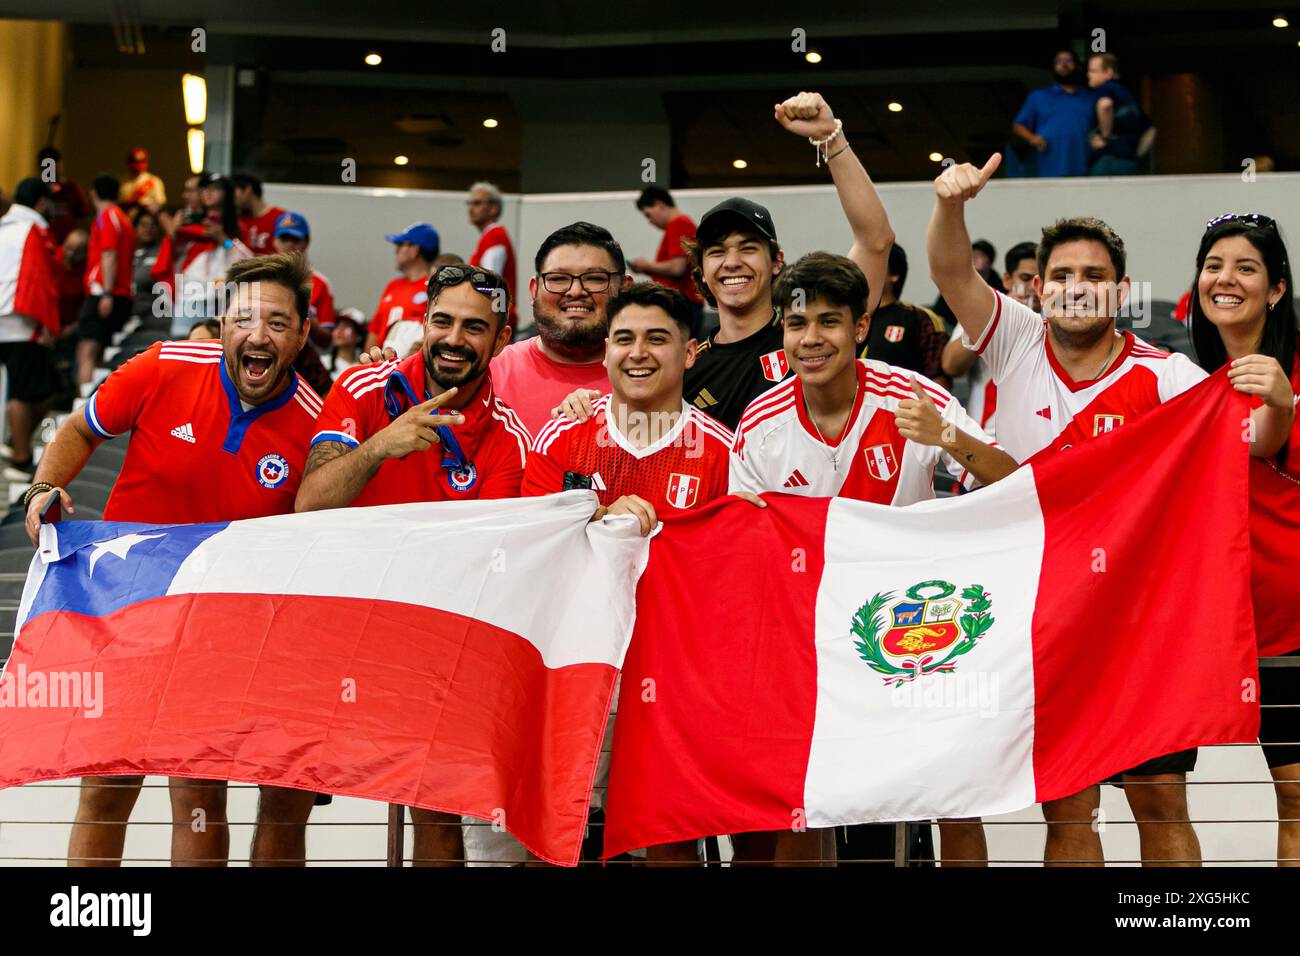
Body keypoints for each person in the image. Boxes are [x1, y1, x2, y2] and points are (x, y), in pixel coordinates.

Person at [927, 153, 1285, 865]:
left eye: (1093, 276)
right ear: (1036, 286)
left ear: (1121, 289)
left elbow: (1249, 450)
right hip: (1045, 622)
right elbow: (951, 273)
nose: (1075, 288)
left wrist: (1278, 402)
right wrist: (951, 206)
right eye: (1060, 275)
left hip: (1139, 629)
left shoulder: (1170, 376)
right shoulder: (1015, 341)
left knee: (1159, 804)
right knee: (1070, 807)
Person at [25, 253, 323, 866]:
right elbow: (80, 430)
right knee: (105, 793)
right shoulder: (164, 366)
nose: (257, 336)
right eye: (244, 319)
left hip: (221, 633)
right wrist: (41, 488)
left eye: (276, 322)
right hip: (126, 614)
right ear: (221, 327)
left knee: (198, 799)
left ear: (302, 333)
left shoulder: (317, 425)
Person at [727, 252, 1013, 867]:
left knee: (956, 798)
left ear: (860, 327)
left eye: (829, 322)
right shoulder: (759, 424)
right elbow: (737, 547)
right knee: (804, 807)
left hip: (914, 634)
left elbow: (1014, 482)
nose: (811, 339)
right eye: (797, 323)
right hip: (808, 646)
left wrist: (949, 438)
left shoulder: (914, 395)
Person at [297, 264, 527, 866]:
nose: (454, 338)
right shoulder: (363, 387)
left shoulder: (507, 440)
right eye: (442, 320)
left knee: (437, 805)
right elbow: (310, 503)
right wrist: (380, 445)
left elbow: (486, 562)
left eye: (475, 327)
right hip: (334, 629)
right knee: (283, 800)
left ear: (501, 340)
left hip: (435, 639)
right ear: (422, 323)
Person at [525, 281, 753, 865]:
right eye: (623, 338)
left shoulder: (727, 455)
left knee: (666, 838)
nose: (638, 353)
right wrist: (598, 515)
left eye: (658, 338)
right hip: (575, 675)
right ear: (604, 352)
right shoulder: (562, 436)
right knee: (559, 839)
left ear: (691, 352)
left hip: (675, 685)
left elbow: (740, 583)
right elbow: (528, 548)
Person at [1185, 213, 1299, 865]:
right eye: (1214, 265)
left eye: (1246, 267)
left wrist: (1285, 403)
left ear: (1276, 288)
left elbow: (1265, 438)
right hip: (1224, 628)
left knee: (1298, 799)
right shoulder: (1186, 381)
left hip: (1292, 624)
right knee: (1161, 794)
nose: (1225, 279)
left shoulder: (1294, 367)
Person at [681, 92, 894, 431]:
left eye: (748, 248)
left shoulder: (812, 331)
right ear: (701, 273)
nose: (732, 262)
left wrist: (831, 139)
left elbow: (875, 240)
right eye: (717, 252)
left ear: (777, 261)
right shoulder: (687, 367)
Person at [489, 222, 631, 434]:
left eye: (594, 278)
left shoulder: (656, 379)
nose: (575, 291)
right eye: (558, 279)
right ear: (534, 290)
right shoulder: (488, 373)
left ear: (625, 289)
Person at [941, 240, 1040, 435]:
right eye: (1025, 278)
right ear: (1007, 280)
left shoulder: (1060, 321)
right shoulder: (985, 311)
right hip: (988, 437)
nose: (1033, 286)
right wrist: (992, 318)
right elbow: (951, 366)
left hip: (1041, 438)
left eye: (1040, 279)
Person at [0, 178, 62, 476]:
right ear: (41, 202)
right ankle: (20, 457)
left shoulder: (6, 227)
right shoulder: (33, 229)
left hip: (9, 316)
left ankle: (16, 441)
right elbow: (42, 281)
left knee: (27, 388)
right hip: (21, 318)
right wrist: (48, 323)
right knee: (26, 391)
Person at [169, 173, 251, 338]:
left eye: (215, 189)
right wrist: (173, 231)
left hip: (219, 300)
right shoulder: (191, 221)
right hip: (189, 297)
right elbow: (176, 255)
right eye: (205, 188)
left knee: (212, 347)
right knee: (181, 345)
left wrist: (223, 239)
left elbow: (246, 259)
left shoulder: (236, 226)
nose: (208, 192)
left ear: (227, 194)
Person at [857, 244, 948, 383]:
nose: (862, 268)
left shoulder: (920, 318)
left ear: (894, 275)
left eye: (871, 262)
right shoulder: (847, 318)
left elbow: (939, 380)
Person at [77, 175, 136, 386]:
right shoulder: (122, 217)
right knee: (102, 352)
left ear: (93, 193)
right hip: (117, 293)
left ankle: (80, 406)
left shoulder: (106, 216)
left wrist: (106, 293)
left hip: (103, 292)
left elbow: (109, 253)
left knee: (87, 349)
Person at [630, 187, 705, 337]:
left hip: (683, 303)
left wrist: (647, 266)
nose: (650, 221)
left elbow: (678, 268)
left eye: (648, 215)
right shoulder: (679, 224)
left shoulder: (679, 224)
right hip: (683, 303)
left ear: (660, 205)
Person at [1010, 50, 1096, 178]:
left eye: (1069, 60)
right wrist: (1033, 138)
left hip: (1085, 166)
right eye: (1058, 61)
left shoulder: (1090, 97)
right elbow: (1018, 125)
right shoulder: (1038, 96)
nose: (1064, 65)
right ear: (1053, 67)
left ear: (1077, 65)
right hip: (1049, 165)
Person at [364, 222, 439, 352]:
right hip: (382, 364)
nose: (396, 251)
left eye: (399, 245)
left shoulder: (434, 287)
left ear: (414, 250)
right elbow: (375, 330)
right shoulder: (393, 286)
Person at [271, 211, 335, 348]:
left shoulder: (320, 283)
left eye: (295, 239)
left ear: (306, 243)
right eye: (284, 238)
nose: (289, 244)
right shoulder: (261, 279)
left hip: (305, 359)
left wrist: (305, 316)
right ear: (274, 242)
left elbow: (327, 341)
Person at [1085, 53, 1149, 176]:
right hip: (1129, 164)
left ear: (1109, 72)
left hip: (1107, 162)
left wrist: (1105, 136)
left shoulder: (1105, 89)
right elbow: (1151, 130)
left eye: (1093, 71)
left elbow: (1105, 105)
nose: (1088, 75)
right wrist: (1136, 155)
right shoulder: (1127, 96)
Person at [467, 181, 517, 331]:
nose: (470, 208)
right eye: (469, 203)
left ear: (493, 208)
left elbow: (489, 284)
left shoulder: (494, 237)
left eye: (476, 203)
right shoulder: (490, 237)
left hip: (494, 322)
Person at [37, 146, 91, 244]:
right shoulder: (38, 190)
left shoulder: (72, 188)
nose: (49, 170)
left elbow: (84, 217)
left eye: (52, 165)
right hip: (44, 242)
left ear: (59, 164)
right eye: (45, 166)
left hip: (69, 244)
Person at [232, 172, 285, 256]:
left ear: (247, 190)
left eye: (233, 194)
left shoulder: (281, 218)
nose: (232, 199)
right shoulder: (236, 220)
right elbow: (228, 246)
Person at [118, 147, 166, 215]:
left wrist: (144, 203)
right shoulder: (122, 181)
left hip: (145, 219)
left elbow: (160, 203)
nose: (137, 170)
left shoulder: (154, 181)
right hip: (127, 219)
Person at [324, 311, 365, 380]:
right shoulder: (323, 362)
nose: (339, 330)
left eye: (347, 326)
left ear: (359, 336)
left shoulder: (365, 366)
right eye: (337, 326)